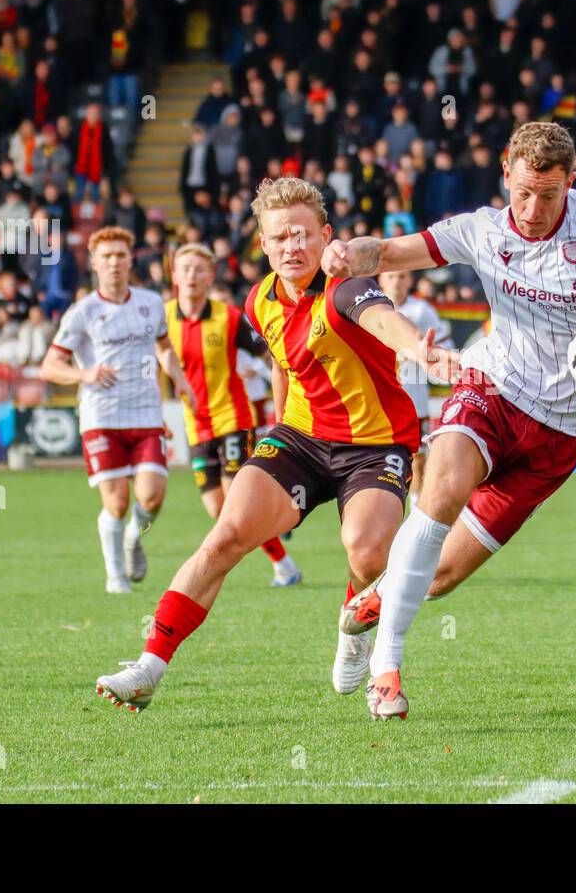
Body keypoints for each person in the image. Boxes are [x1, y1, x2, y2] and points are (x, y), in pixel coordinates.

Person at [326, 122, 576, 718]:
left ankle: (367, 604)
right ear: (506, 173)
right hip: (490, 389)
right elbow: (395, 253)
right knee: (442, 494)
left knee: (441, 576)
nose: (531, 208)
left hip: (561, 433)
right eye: (523, 191)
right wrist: (348, 254)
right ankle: (387, 668)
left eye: (547, 196)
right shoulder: (483, 229)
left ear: (570, 183)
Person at [93, 177, 459, 711]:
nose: (293, 247)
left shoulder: (347, 286)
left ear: (325, 236)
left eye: (303, 235)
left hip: (374, 444)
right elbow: (284, 363)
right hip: (299, 439)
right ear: (263, 246)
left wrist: (421, 352)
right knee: (225, 537)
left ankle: (352, 624)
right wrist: (278, 426)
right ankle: (149, 666)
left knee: (367, 551)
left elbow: (384, 320)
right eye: (280, 238)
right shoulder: (259, 298)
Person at [39, 226, 197, 594]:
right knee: (117, 501)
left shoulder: (151, 303)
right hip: (102, 417)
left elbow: (164, 348)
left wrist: (181, 381)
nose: (114, 262)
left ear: (130, 261)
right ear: (94, 263)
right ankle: (116, 577)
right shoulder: (82, 313)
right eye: (106, 256)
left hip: (145, 414)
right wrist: (85, 373)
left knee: (153, 497)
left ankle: (133, 538)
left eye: (120, 256)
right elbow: (50, 366)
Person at [164, 241, 303, 586]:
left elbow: (270, 351)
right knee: (217, 510)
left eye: (200, 269)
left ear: (211, 275)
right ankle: (284, 559)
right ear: (174, 275)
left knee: (234, 501)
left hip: (232, 418)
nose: (192, 276)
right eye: (186, 269)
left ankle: (281, 565)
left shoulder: (228, 318)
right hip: (196, 426)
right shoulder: (162, 318)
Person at [377, 268, 452, 507]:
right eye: (391, 276)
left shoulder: (422, 310)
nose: (396, 281)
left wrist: (423, 353)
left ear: (409, 280)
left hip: (414, 400)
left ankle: (416, 515)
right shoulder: (371, 309)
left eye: (401, 276)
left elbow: (444, 344)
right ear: (381, 279)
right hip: (378, 401)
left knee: (417, 460)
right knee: (377, 462)